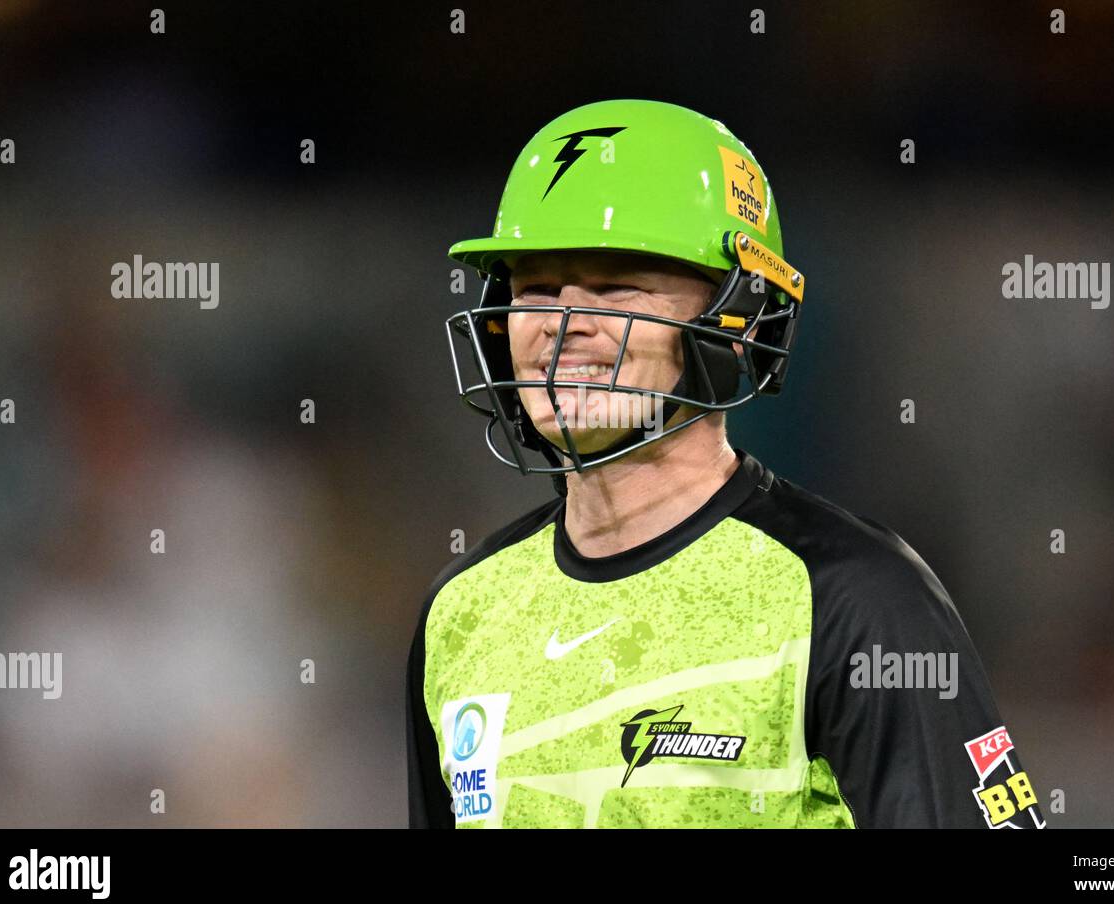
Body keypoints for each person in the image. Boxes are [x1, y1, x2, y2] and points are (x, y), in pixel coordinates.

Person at [406, 99, 1044, 829]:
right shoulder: (461, 615)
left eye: (617, 285)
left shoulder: (855, 599)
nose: (564, 324)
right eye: (536, 288)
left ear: (736, 320)